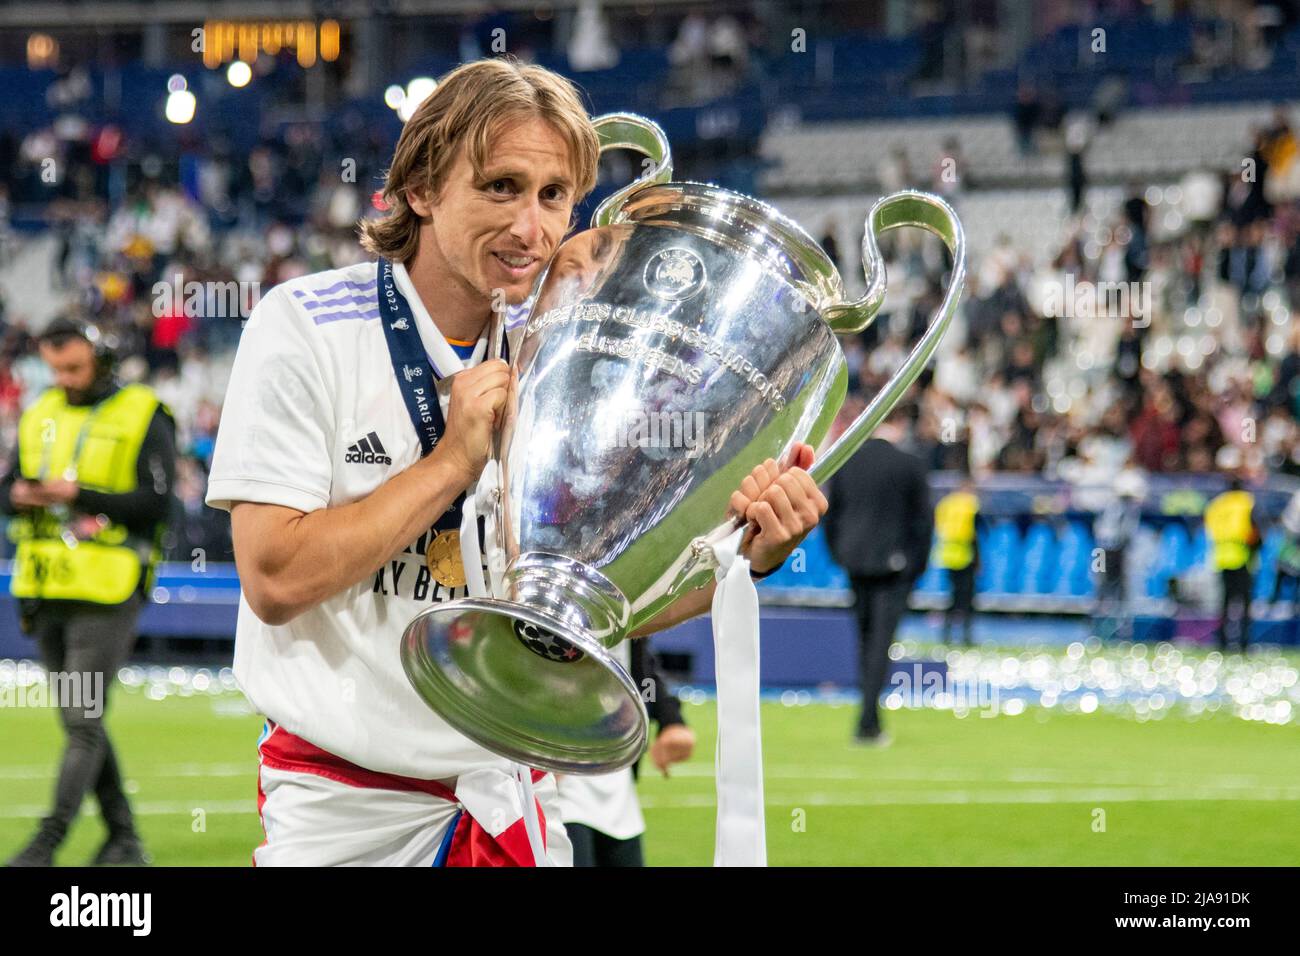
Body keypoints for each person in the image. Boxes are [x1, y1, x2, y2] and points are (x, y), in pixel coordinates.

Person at [204, 58, 826, 867]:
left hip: (516, 805)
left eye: (553, 196)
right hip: (342, 817)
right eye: (500, 186)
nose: (531, 229)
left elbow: (596, 605)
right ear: (421, 188)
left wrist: (749, 559)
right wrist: (448, 466)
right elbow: (275, 578)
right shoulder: (306, 327)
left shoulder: (574, 353)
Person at [2, 318, 176, 867]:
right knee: (84, 719)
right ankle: (124, 840)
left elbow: (159, 504)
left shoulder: (144, 411)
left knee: (80, 721)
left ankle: (46, 844)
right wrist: (23, 495)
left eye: (74, 367)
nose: (65, 378)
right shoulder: (40, 413)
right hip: (45, 584)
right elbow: (7, 491)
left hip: (109, 587)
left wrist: (81, 496)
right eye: (56, 369)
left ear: (101, 357)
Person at [823, 405, 932, 746]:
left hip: (856, 564)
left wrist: (841, 555)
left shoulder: (847, 462)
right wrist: (916, 568)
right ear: (899, 423)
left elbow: (830, 515)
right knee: (880, 644)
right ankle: (868, 721)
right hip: (893, 569)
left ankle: (868, 717)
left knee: (865, 639)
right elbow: (924, 524)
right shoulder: (910, 465)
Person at [555, 639, 694, 867]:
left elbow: (641, 670)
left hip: (618, 780)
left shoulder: (627, 610)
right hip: (560, 775)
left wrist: (671, 719)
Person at [1204, 475, 1260, 653]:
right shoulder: (1246, 502)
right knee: (1244, 602)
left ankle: (1221, 641)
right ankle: (1244, 642)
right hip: (1241, 555)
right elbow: (1254, 530)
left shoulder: (1217, 505)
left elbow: (1209, 528)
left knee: (1224, 602)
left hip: (1221, 557)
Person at [1092, 468, 1146, 641]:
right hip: (1104, 551)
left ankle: (1121, 627)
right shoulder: (1111, 507)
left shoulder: (1126, 509)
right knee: (1102, 586)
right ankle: (1100, 627)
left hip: (1115, 550)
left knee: (1122, 589)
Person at [933, 476, 979, 646]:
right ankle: (966, 636)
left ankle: (946, 634)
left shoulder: (946, 504)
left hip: (948, 556)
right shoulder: (970, 505)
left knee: (952, 597)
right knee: (966, 599)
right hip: (966, 556)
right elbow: (974, 534)